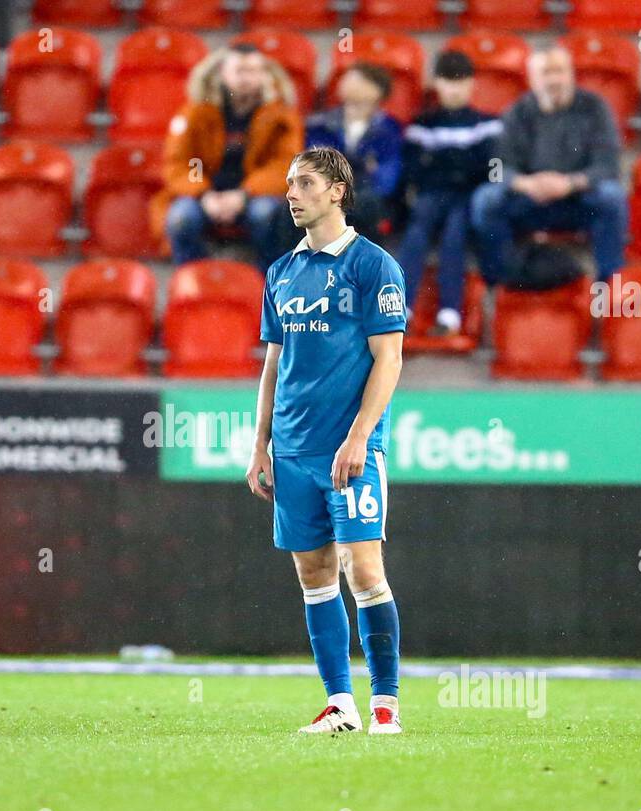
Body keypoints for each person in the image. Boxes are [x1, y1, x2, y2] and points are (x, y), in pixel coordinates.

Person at [245, 146, 407, 735]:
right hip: (292, 450)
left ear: (337, 190)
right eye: (288, 184)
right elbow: (272, 366)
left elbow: (388, 359)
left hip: (350, 451)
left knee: (364, 573)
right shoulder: (282, 272)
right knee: (314, 578)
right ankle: (341, 704)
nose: (291, 193)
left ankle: (386, 706)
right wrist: (260, 444)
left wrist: (361, 436)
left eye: (304, 183)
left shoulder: (373, 266)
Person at [470, 46, 629, 286]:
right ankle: (500, 282)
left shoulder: (595, 108)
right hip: (530, 200)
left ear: (571, 74)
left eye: (560, 71)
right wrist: (526, 184)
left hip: (578, 200)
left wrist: (569, 183)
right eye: (546, 72)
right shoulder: (518, 112)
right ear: (532, 78)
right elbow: (498, 167)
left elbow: (607, 165)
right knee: (486, 200)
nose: (554, 79)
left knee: (612, 197)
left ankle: (609, 282)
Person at [150, 44, 303, 271]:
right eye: (240, 70)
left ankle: (269, 281)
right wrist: (202, 194)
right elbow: (181, 162)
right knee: (180, 217)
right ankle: (193, 278)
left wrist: (244, 194)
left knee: (266, 215)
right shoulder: (196, 113)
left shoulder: (279, 115)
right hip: (205, 194)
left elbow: (283, 165)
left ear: (264, 74)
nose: (247, 78)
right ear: (223, 72)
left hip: (255, 194)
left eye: (253, 71)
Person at [396, 50, 502, 335]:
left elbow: (492, 169)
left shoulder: (489, 123)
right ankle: (400, 310)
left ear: (472, 84)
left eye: (461, 81)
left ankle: (450, 314)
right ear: (436, 84)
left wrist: (442, 160)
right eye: (448, 80)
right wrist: (461, 161)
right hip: (433, 195)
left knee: (455, 234)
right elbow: (414, 169)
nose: (454, 88)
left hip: (467, 196)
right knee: (417, 230)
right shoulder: (422, 123)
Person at [303, 63, 404, 241]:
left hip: (367, 195)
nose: (346, 82)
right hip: (327, 191)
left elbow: (387, 180)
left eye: (357, 79)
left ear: (376, 91)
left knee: (366, 205)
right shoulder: (321, 125)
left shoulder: (389, 129)